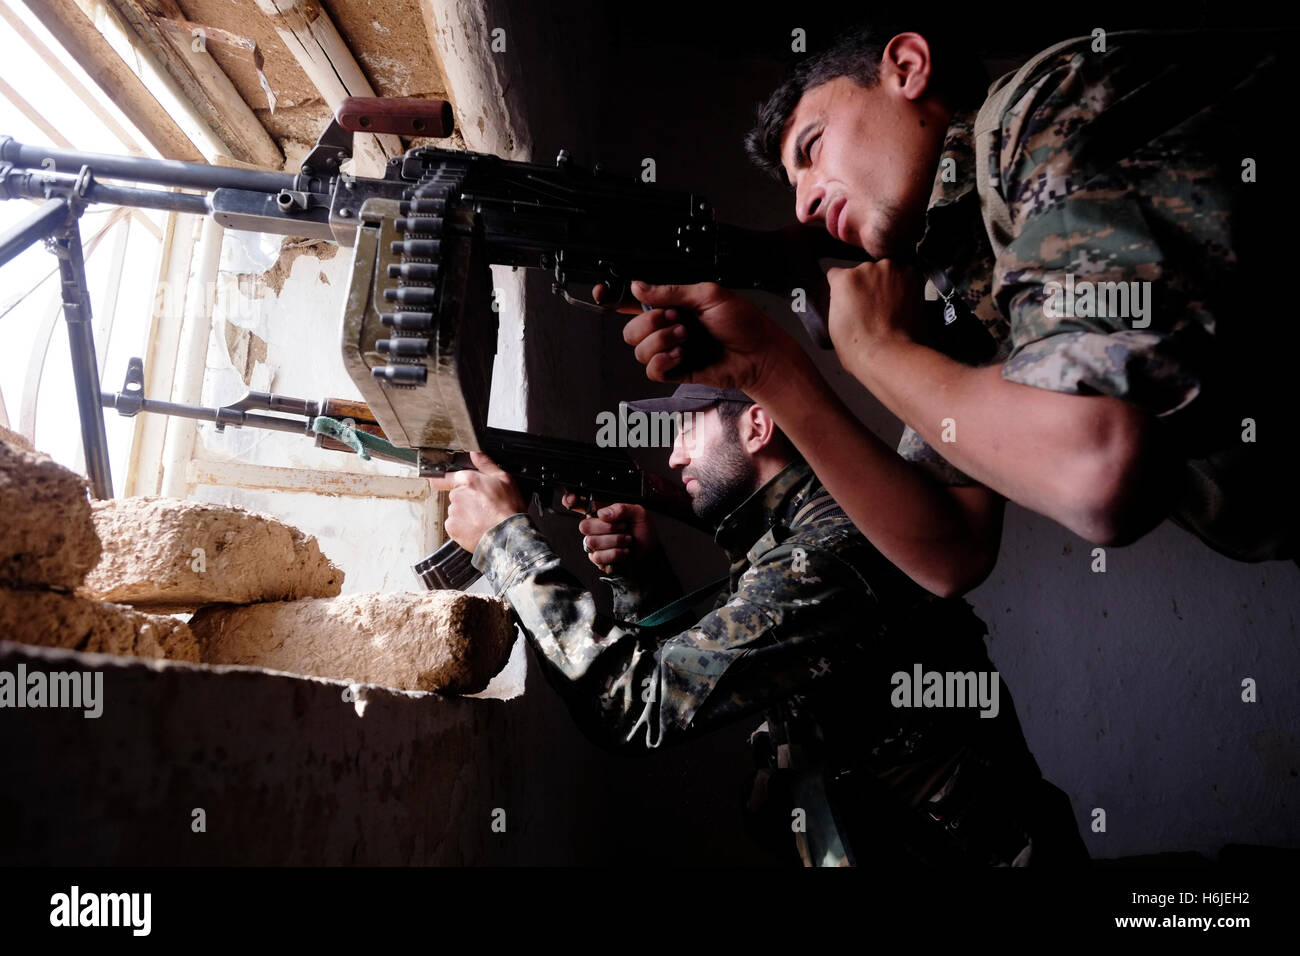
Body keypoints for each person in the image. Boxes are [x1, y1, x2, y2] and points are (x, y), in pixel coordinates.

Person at [617, 24, 1298, 599]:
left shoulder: (1053, 104)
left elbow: (1096, 468)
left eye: (812, 147)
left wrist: (878, 350)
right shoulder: (963, 262)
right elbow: (949, 550)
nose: (802, 205)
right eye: (793, 186)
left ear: (906, 67)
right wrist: (768, 371)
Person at [429, 384, 1086, 866]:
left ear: (757, 424)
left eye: (689, 429)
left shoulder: (827, 552)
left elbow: (636, 707)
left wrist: (505, 543)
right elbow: (690, 664)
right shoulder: (790, 536)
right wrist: (640, 578)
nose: (676, 457)